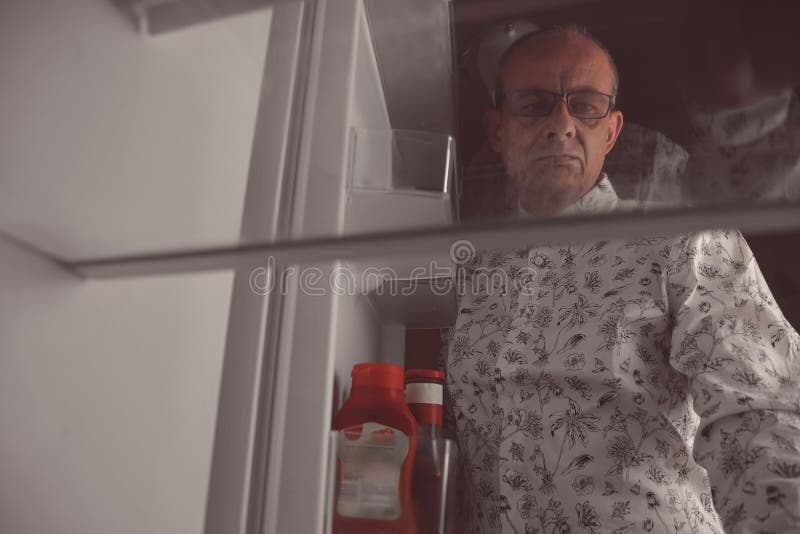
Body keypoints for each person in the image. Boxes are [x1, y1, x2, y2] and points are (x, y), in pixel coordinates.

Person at [446, 26, 800, 533]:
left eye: (585, 105)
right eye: (533, 103)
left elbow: (760, 406)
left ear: (610, 132)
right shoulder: (468, 275)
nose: (561, 124)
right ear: (497, 130)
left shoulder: (682, 239)